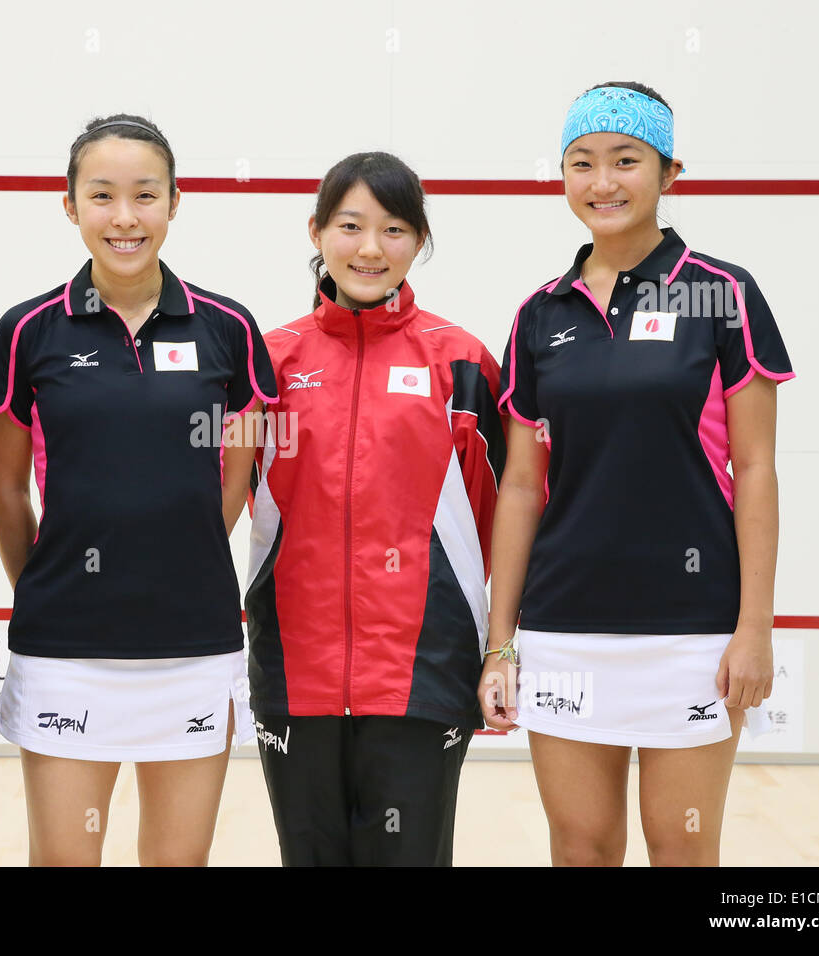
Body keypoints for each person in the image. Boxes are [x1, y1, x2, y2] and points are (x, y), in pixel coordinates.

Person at [482, 82, 794, 866]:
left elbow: (755, 469)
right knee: (581, 846)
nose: (602, 182)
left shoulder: (723, 293)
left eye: (626, 160)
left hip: (692, 630)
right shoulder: (539, 314)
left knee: (681, 848)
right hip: (564, 627)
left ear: (669, 172)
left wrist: (753, 629)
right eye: (581, 163)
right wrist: (502, 643)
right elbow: (521, 486)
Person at [0, 114, 277, 866]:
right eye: (102, 195)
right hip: (67, 650)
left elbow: (231, 482)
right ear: (70, 204)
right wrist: (50, 584)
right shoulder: (26, 332)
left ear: (175, 202)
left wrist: (172, 562)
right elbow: (6, 491)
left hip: (194, 645)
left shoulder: (229, 329)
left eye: (145, 195)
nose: (125, 218)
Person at [246, 152, 504, 866]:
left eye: (394, 230)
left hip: (423, 675)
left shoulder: (463, 364)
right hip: (294, 674)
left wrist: (500, 646)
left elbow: (502, 520)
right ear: (316, 231)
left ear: (420, 240)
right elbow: (215, 504)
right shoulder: (267, 362)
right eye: (350, 225)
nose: (369, 248)